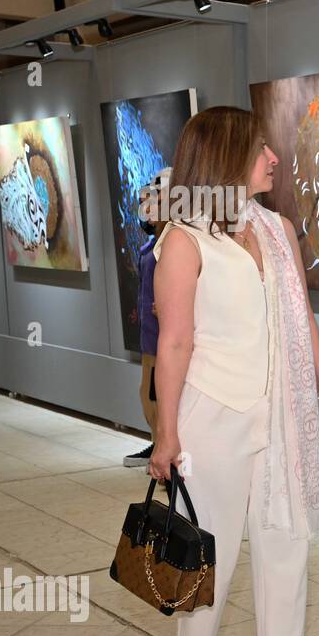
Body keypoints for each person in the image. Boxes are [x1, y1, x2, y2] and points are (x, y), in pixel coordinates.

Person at [147, 106, 319, 636]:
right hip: (212, 417)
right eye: (262, 149)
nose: (274, 159)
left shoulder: (281, 229)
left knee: (288, 546)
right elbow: (175, 343)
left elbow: (304, 317)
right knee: (212, 556)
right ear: (230, 156)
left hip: (282, 415)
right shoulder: (182, 241)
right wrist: (166, 434)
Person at [124, 169, 171, 467]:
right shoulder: (152, 245)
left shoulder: (172, 244)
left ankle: (163, 447)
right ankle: (157, 443)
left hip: (164, 334)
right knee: (148, 392)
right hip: (150, 334)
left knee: (157, 392)